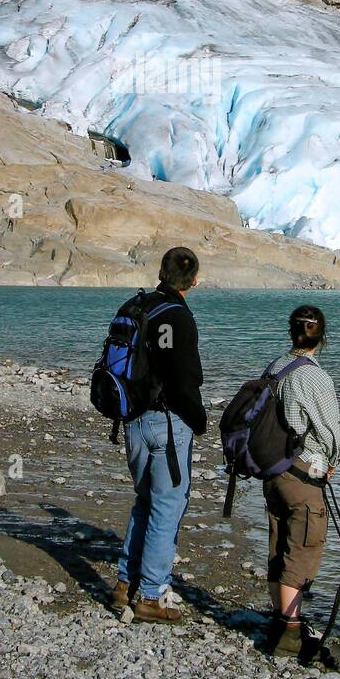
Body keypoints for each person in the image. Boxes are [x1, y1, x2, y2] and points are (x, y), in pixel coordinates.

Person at [112, 246, 206, 623]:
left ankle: (124, 584)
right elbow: (182, 380)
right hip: (167, 423)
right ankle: (151, 595)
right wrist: (198, 418)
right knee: (168, 505)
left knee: (145, 500)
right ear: (194, 281)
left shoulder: (135, 307)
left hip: (131, 418)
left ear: (161, 273)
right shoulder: (179, 317)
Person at [264, 304, 340, 657]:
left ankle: (279, 621)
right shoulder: (315, 377)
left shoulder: (276, 367)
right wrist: (333, 462)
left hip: (272, 470)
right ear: (321, 337)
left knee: (278, 543)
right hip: (303, 474)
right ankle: (291, 635)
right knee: (303, 549)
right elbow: (330, 433)